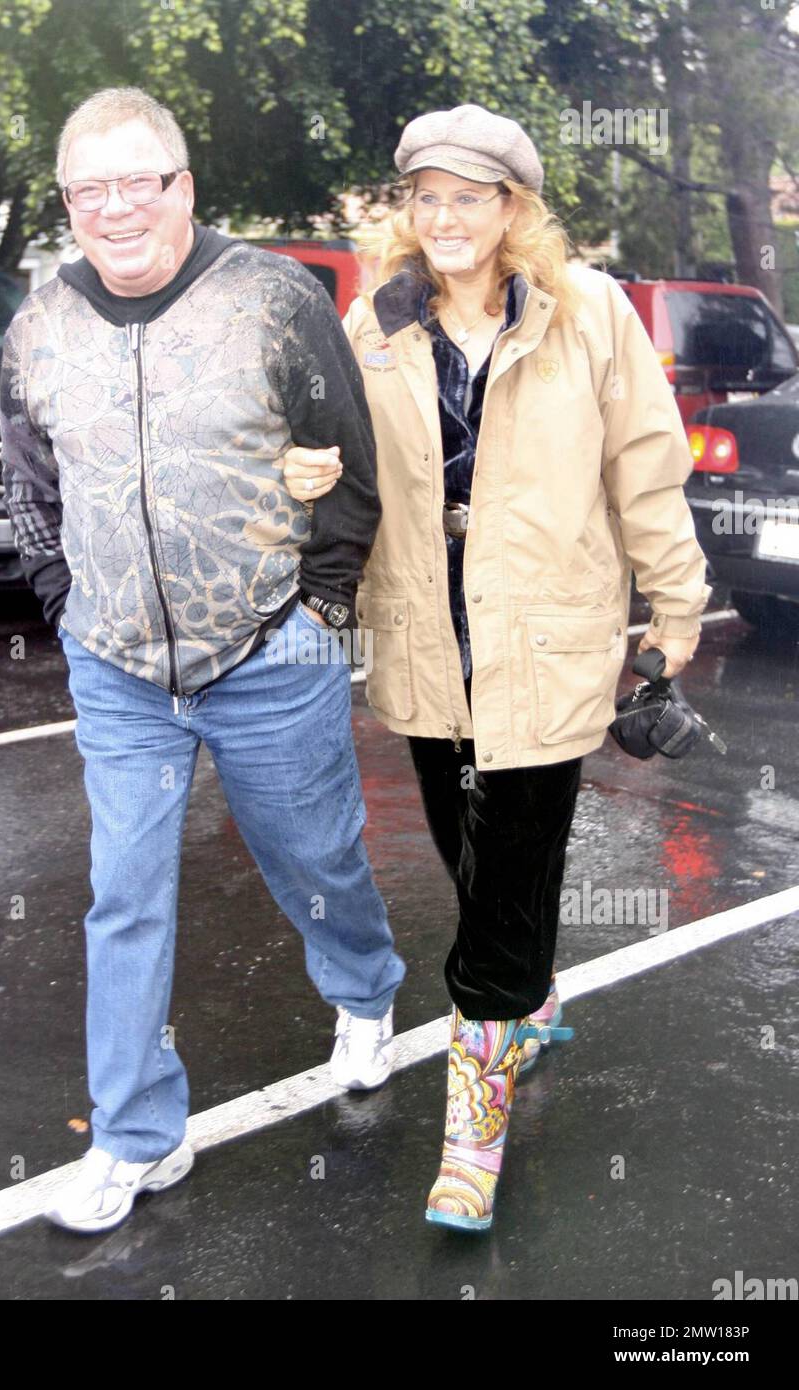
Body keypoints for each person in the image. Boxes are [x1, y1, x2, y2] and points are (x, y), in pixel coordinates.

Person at [282, 104, 711, 1232]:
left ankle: (474, 1121)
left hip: (550, 643)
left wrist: (677, 604)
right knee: (471, 859)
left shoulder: (592, 317)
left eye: (469, 196)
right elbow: (341, 477)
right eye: (425, 196)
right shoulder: (373, 327)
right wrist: (299, 480)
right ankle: (532, 989)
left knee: (511, 869)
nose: (444, 217)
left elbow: (647, 471)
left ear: (514, 209)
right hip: (427, 645)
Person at [0, 86, 405, 1235]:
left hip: (268, 648)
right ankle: (136, 1135)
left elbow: (348, 461)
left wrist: (318, 611)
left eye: (140, 182)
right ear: (70, 203)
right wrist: (68, 603)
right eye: (91, 188)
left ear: (182, 186)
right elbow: (30, 488)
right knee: (122, 895)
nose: (116, 208)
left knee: (312, 858)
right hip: (117, 668)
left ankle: (366, 989)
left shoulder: (272, 299)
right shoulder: (38, 326)